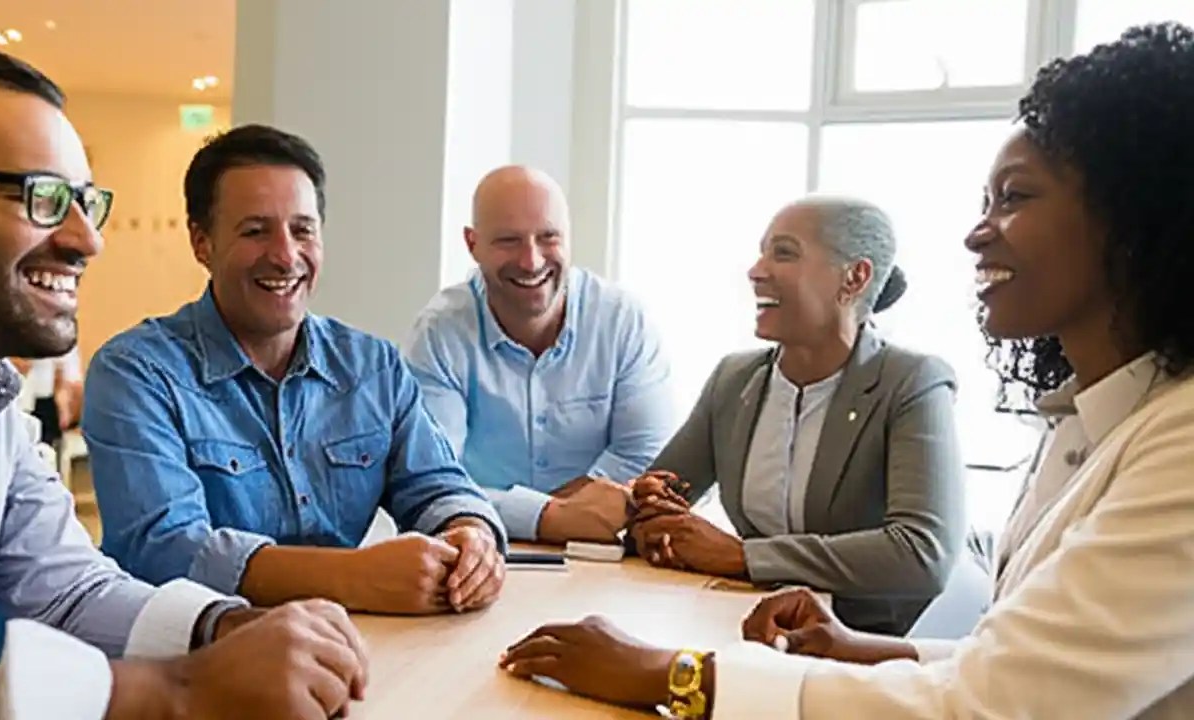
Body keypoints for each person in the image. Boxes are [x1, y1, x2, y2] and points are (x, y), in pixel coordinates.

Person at [500, 22, 1194, 718]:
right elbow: (1011, 659)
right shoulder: (1087, 424)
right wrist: (851, 646)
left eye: (1013, 198)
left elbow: (991, 695)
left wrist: (676, 674)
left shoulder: (1177, 443)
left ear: (1131, 211)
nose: (977, 233)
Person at [0, 41, 367, 719]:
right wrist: (170, 690)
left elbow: (68, 588)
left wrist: (224, 627)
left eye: (84, 202)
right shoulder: (136, 365)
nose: (87, 240)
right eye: (40, 197)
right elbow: (164, 542)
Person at [83, 125, 507, 617]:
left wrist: (470, 535)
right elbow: (163, 549)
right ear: (202, 243)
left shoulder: (373, 366)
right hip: (195, 663)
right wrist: (355, 576)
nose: (286, 256)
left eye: (302, 230)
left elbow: (439, 486)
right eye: (255, 231)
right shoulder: (136, 373)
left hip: (353, 648)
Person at [626, 195, 964, 635]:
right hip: (740, 623)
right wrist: (648, 511)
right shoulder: (735, 379)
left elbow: (922, 553)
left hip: (863, 645)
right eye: (762, 252)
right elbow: (657, 500)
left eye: (783, 253)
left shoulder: (912, 382)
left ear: (855, 277)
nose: (756, 270)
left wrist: (744, 557)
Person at [404, 165, 677, 543]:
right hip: (482, 549)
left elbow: (651, 459)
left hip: (611, 552)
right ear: (472, 244)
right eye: (508, 240)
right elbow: (431, 479)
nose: (531, 261)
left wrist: (548, 512)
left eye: (548, 237)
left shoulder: (623, 320)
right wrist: (552, 517)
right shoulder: (439, 333)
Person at [12, 346, 83, 448]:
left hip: (45, 399)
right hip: (21, 400)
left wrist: (64, 409)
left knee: (48, 448)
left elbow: (63, 373)